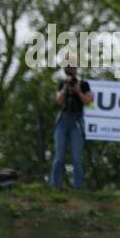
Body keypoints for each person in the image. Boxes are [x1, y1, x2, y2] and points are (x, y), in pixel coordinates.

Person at [51, 57, 92, 190]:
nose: (72, 69)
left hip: (76, 122)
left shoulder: (83, 84)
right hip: (62, 120)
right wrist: (65, 88)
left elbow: (88, 101)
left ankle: (78, 187)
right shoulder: (62, 83)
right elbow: (58, 101)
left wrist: (78, 91)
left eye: (74, 67)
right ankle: (54, 185)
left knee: (76, 157)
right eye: (70, 67)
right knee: (59, 156)